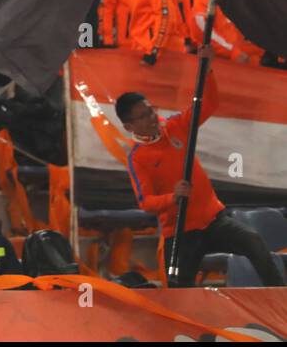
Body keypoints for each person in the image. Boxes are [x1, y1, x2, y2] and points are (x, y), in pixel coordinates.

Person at [118, 84, 285, 286]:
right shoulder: (137, 158)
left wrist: (208, 69)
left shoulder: (174, 126)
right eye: (143, 116)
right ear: (129, 127)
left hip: (213, 221)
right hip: (180, 233)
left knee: (253, 241)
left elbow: (210, 105)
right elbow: (146, 202)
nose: (152, 117)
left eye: (151, 110)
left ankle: (281, 300)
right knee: (180, 293)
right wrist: (173, 197)